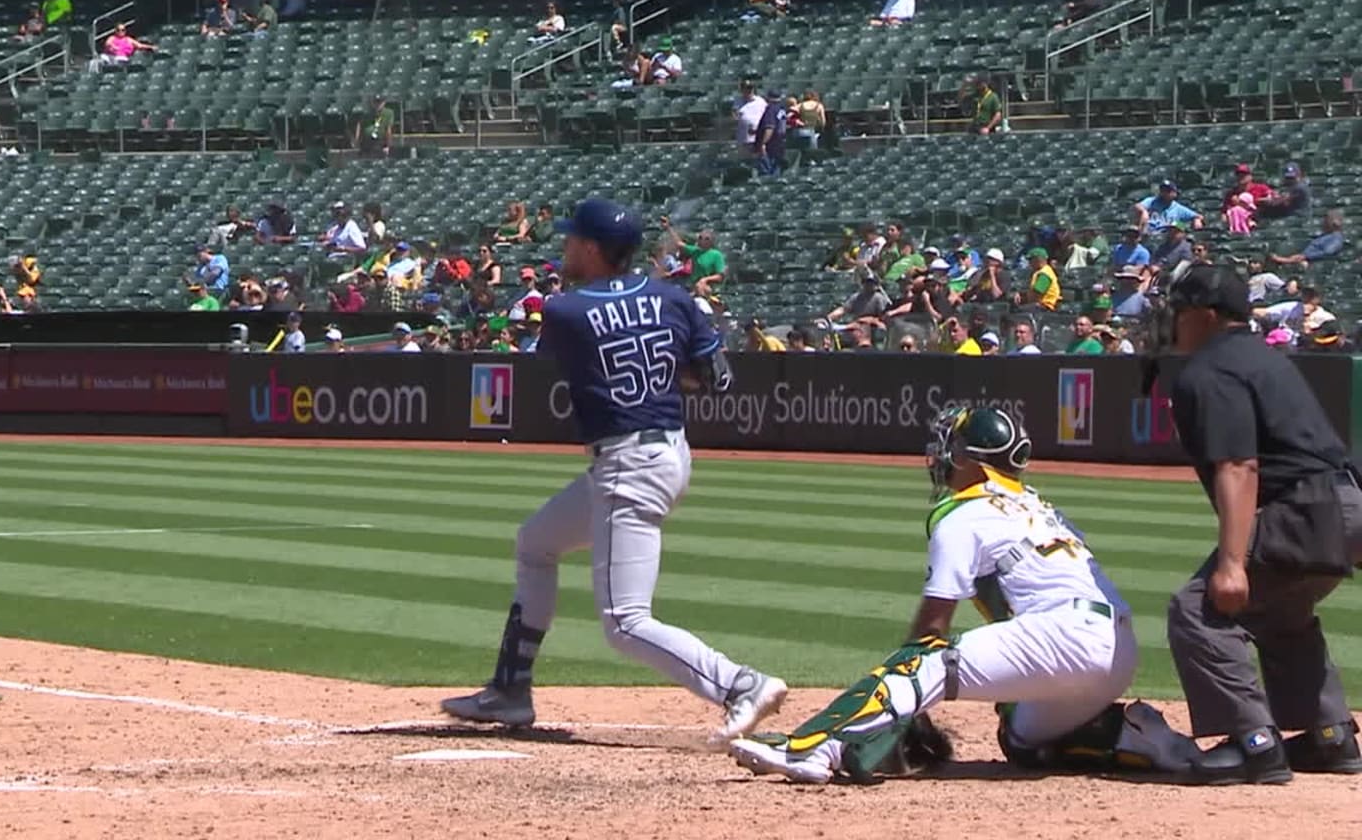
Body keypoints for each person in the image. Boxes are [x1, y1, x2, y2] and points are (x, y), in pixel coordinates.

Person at [441, 198, 787, 747]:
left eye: (573, 240)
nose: (565, 247)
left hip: (628, 462)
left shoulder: (565, 311)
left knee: (625, 621)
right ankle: (510, 689)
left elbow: (564, 341)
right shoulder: (676, 299)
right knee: (536, 542)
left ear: (594, 248)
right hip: (668, 452)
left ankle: (742, 684)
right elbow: (717, 379)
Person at [729, 407, 1178, 784]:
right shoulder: (1037, 506)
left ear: (975, 462)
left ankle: (815, 748)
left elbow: (932, 628)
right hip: (1117, 652)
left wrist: (907, 699)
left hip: (1066, 637)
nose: (945, 456)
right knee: (1021, 737)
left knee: (930, 660)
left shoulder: (964, 512)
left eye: (955, 448)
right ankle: (1138, 733)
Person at [1161, 265, 1362, 784]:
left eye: (1180, 313)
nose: (1173, 324)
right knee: (1280, 612)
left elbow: (1238, 464)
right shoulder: (1265, 358)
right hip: (1346, 501)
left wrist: (1231, 563)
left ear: (1205, 317)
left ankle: (1253, 744)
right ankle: (1330, 735)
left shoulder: (1207, 370)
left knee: (1198, 611)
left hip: (1304, 509)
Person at [90, 23, 155, 72]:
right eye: (119, 30)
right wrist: (113, 47)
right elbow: (108, 43)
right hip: (111, 57)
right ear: (116, 31)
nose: (121, 32)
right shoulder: (112, 38)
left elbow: (139, 45)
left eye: (123, 30)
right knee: (96, 60)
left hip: (122, 58)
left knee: (118, 59)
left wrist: (151, 47)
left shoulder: (128, 39)